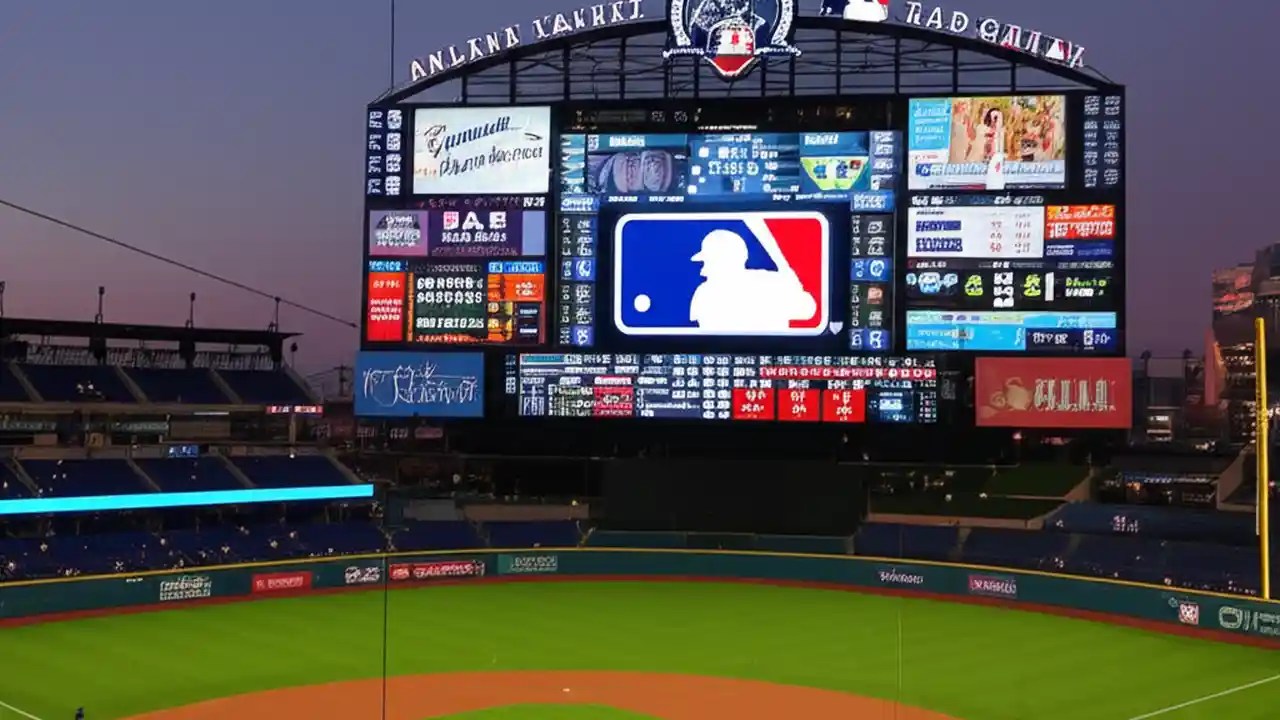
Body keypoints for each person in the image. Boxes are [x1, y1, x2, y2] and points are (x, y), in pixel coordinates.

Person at [688, 229, 816, 332]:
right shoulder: (705, 293)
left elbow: (808, 310)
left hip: (766, 359)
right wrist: (793, 287)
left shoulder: (704, 293)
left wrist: (792, 287)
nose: (704, 268)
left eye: (709, 261)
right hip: (755, 360)